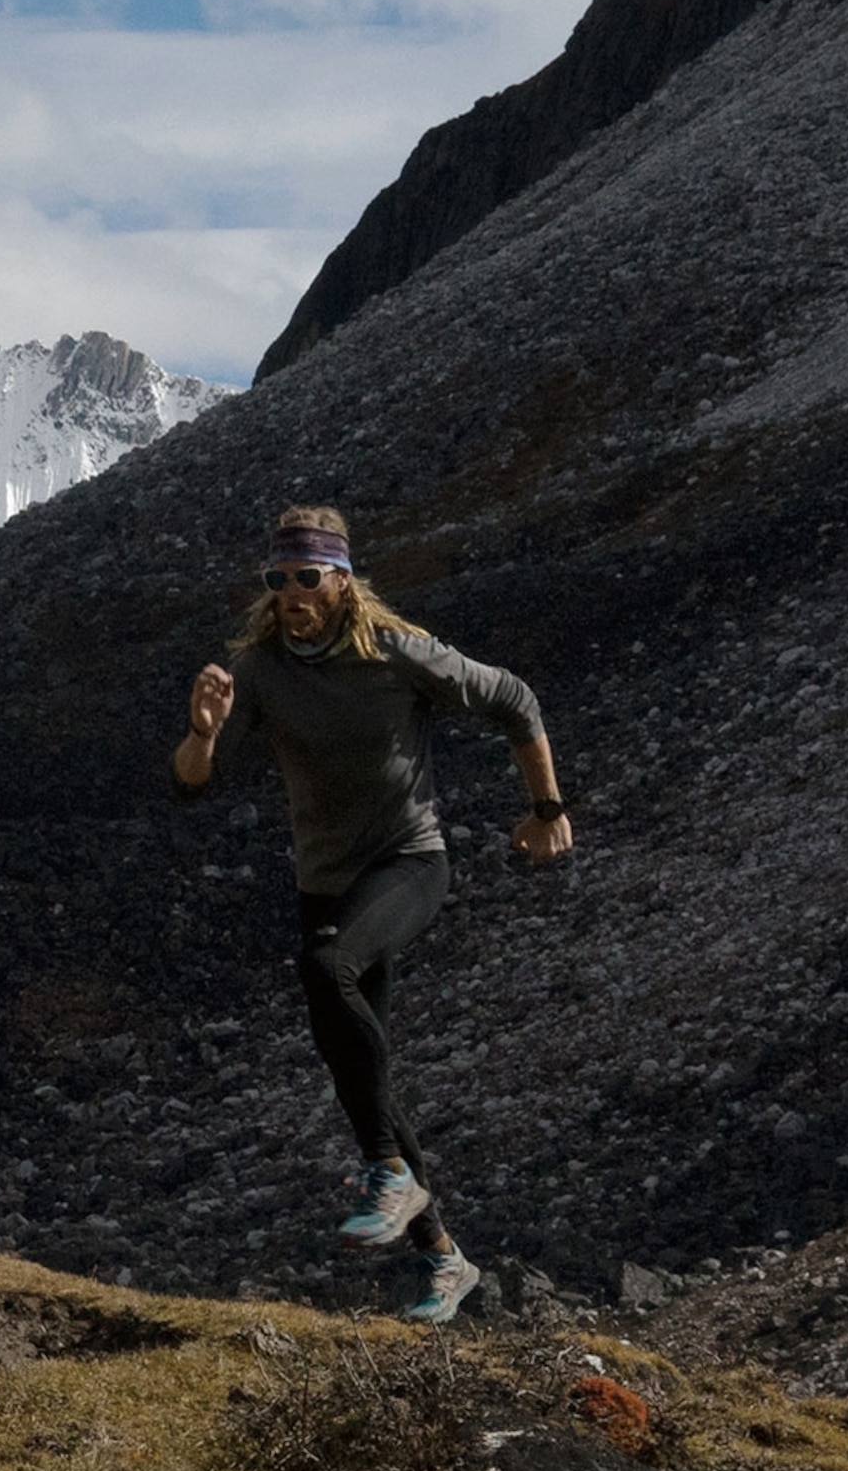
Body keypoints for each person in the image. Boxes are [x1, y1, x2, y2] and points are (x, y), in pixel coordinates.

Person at [168, 504, 570, 1325]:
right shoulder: (260, 668)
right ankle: (444, 1259)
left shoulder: (396, 652)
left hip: (408, 863)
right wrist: (202, 733)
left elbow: (514, 698)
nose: (290, 594)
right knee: (363, 1071)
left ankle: (391, 1173)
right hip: (326, 883)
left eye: (306, 578)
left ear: (341, 581)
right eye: (276, 580)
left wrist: (545, 806)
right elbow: (190, 784)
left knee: (327, 972)